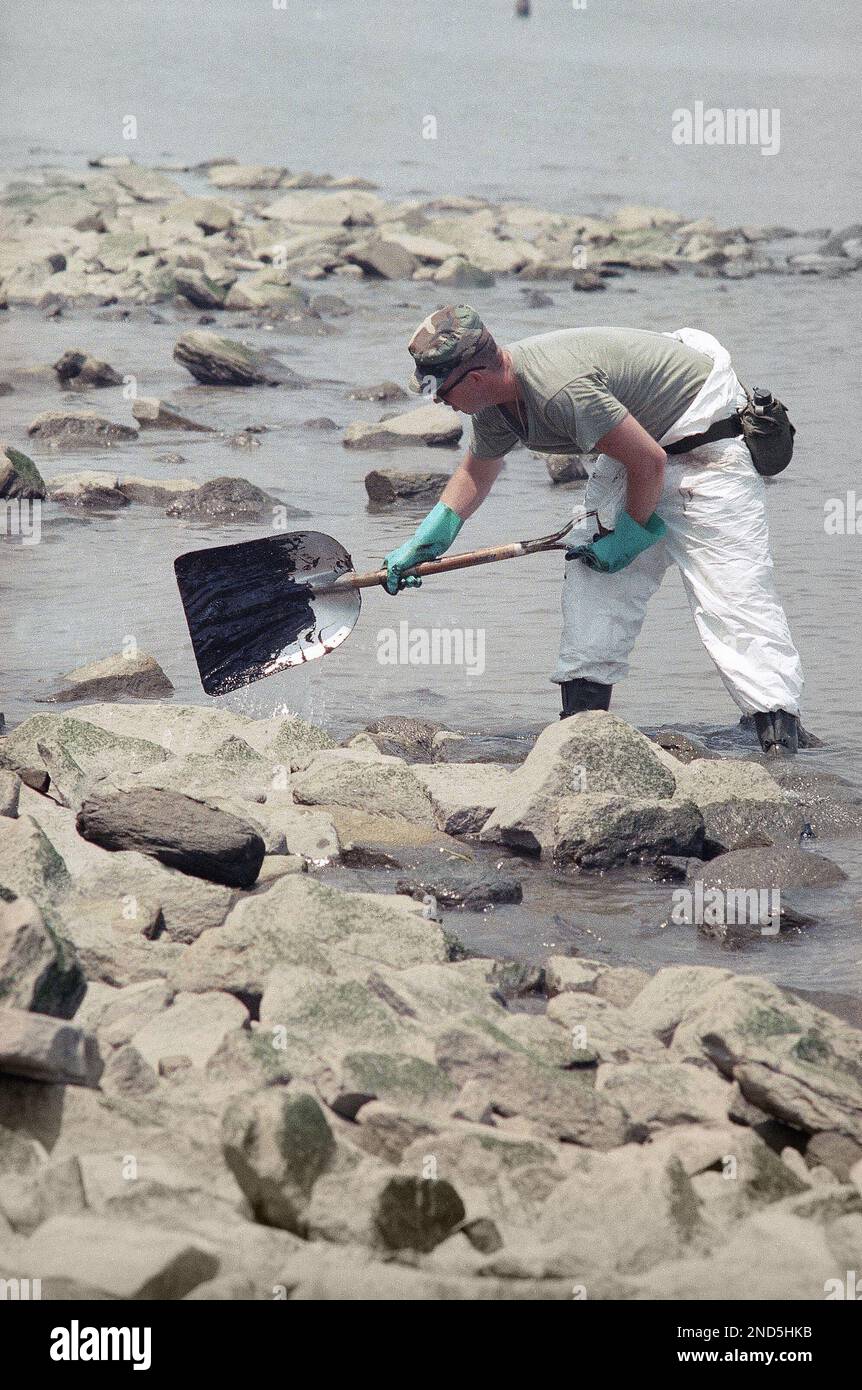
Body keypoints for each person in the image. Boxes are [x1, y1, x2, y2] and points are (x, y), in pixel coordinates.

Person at [382, 305, 806, 755]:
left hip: (706, 444)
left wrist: (630, 535)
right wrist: (427, 540)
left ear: (475, 377)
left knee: (733, 602)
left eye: (438, 389)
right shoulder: (492, 403)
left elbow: (650, 462)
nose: (435, 400)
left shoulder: (558, 390)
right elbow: (478, 471)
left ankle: (782, 750)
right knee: (594, 584)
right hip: (636, 445)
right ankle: (581, 739)